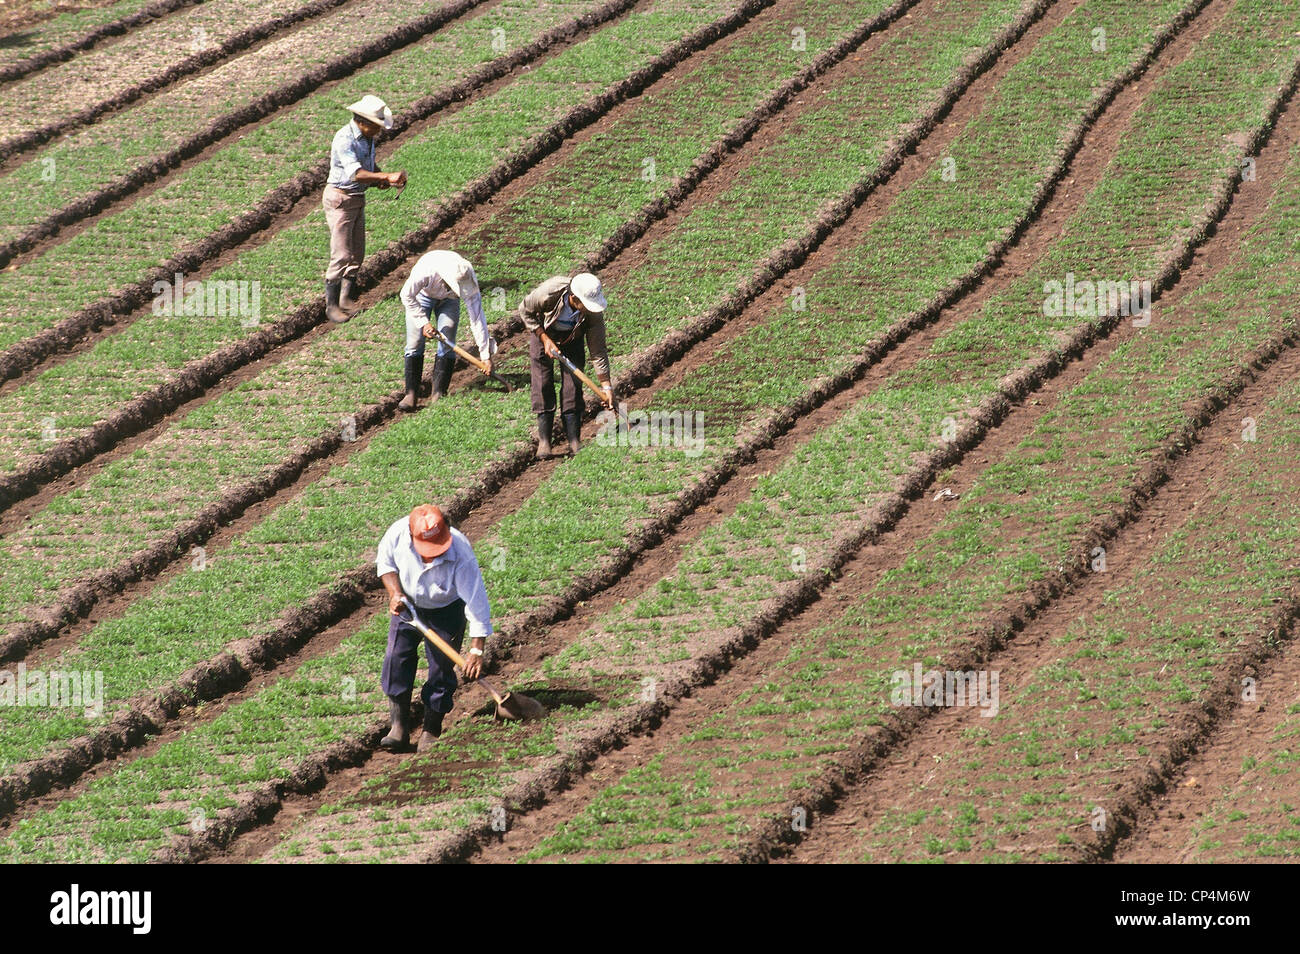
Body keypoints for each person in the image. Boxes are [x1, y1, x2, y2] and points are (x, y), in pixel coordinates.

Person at [375, 504, 492, 752]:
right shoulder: (397, 533)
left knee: (440, 668)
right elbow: (385, 564)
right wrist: (395, 593)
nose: (432, 554)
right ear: (411, 535)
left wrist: (477, 650)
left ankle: (431, 729)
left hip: (447, 610)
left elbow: (476, 600)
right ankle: (398, 726)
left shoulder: (461, 554)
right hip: (407, 606)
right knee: (396, 658)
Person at [323, 94, 407, 324]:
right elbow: (355, 173)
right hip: (341, 199)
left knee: (356, 254)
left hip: (357, 198)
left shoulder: (366, 139)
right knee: (341, 254)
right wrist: (384, 175)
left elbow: (367, 167)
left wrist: (380, 179)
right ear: (363, 121)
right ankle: (331, 307)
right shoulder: (345, 138)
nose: (379, 131)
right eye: (376, 126)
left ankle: (345, 298)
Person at [518, 272, 612, 456]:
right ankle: (544, 441)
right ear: (574, 298)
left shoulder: (593, 314)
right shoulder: (549, 293)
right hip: (542, 331)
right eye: (584, 304)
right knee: (542, 381)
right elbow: (525, 310)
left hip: (572, 339)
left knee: (573, 386)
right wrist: (544, 338)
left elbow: (598, 351)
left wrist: (606, 387)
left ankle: (574, 441)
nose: (588, 309)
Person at [397, 249, 497, 411]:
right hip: (421, 296)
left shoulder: (468, 277)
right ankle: (411, 393)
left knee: (448, 335)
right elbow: (406, 295)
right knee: (415, 341)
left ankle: (439, 393)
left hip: (449, 301)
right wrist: (423, 322)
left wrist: (485, 356)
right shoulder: (427, 270)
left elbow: (477, 318)